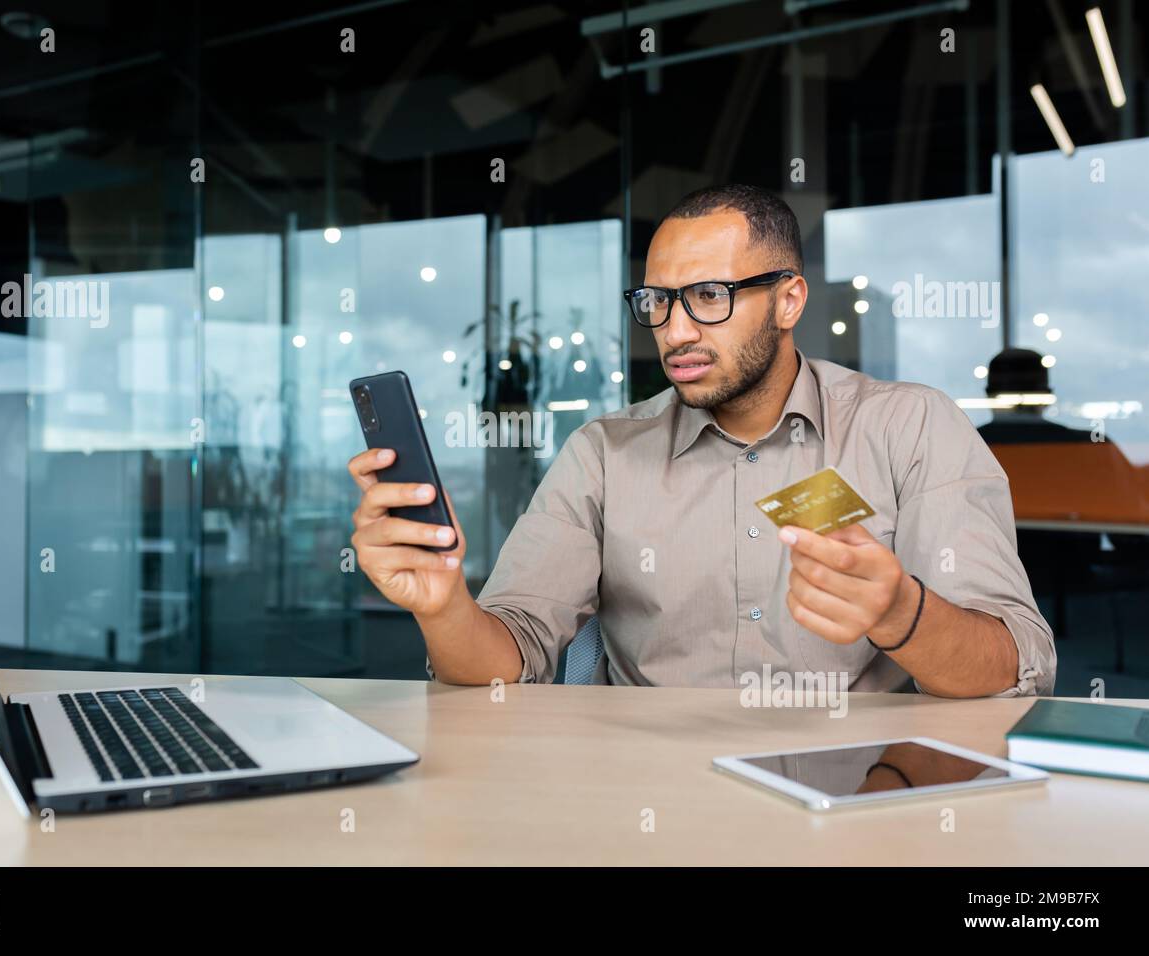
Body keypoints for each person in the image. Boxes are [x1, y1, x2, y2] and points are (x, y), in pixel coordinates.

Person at [348, 184, 1055, 697]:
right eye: (656, 301)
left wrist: (903, 613)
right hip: (651, 805)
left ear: (788, 300)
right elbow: (508, 658)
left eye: (710, 296)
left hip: (856, 800)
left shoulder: (910, 428)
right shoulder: (604, 454)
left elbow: (1014, 662)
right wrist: (442, 607)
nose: (675, 331)